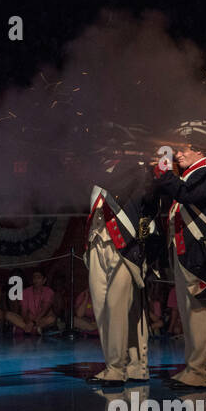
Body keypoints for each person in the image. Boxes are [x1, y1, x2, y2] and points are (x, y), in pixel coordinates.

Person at [153, 120, 206, 389]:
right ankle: (194, 366)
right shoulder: (195, 172)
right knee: (190, 312)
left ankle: (200, 370)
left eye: (183, 150)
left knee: (198, 312)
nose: (178, 155)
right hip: (186, 249)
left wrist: (163, 167)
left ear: (199, 150)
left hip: (200, 253)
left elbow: (184, 194)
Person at [84, 128, 153, 385]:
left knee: (120, 307)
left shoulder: (134, 169)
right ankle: (119, 362)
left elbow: (119, 188)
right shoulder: (101, 172)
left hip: (124, 245)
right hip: (97, 243)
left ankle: (124, 366)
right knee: (103, 308)